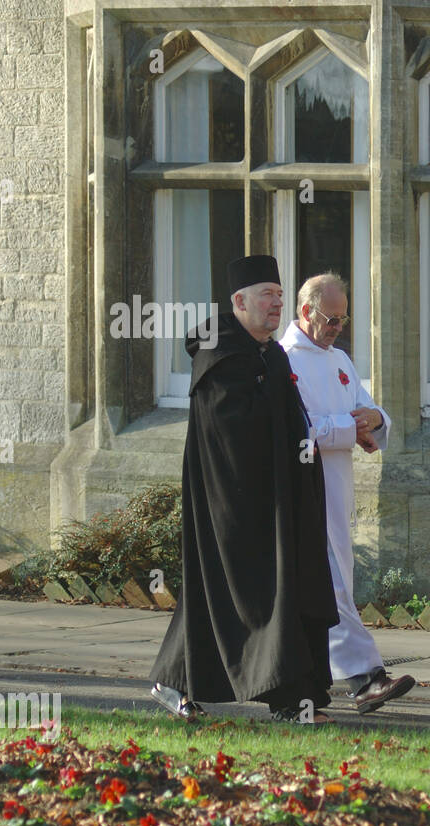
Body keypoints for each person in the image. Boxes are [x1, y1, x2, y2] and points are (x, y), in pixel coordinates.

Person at [150, 254, 337, 724]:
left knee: (280, 590)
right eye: (266, 296)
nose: (276, 305)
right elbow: (231, 433)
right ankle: (176, 682)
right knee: (225, 591)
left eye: (279, 295)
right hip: (231, 502)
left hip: (279, 499)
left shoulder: (270, 353)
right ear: (238, 301)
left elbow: (290, 417)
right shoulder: (222, 356)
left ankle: (291, 696)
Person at [281, 272, 416, 713]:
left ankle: (312, 682)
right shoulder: (285, 361)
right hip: (306, 487)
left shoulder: (339, 359)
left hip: (339, 487)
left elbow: (365, 405)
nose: (338, 327)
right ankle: (365, 678)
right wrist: (347, 428)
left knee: (337, 578)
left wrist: (374, 420)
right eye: (331, 318)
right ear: (305, 312)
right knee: (331, 582)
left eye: (344, 318)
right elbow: (292, 432)